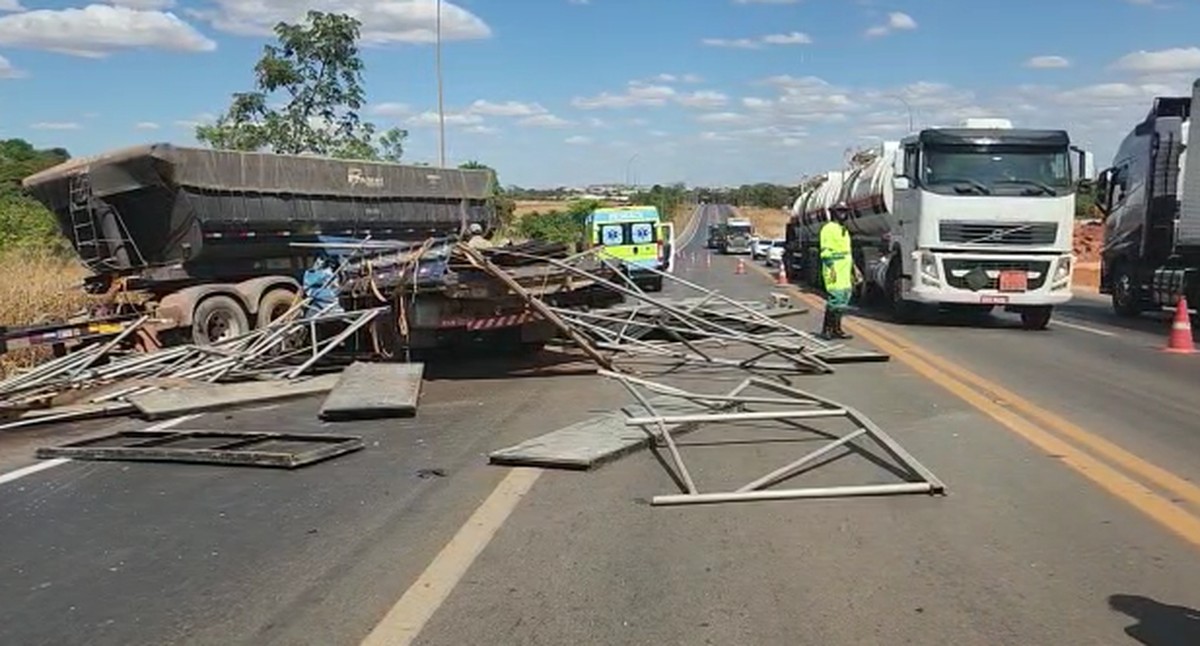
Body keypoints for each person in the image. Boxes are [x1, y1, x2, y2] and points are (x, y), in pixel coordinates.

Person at [818, 201, 860, 340]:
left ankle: (837, 329)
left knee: (843, 300)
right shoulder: (828, 229)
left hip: (844, 271)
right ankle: (827, 329)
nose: (843, 214)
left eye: (845, 211)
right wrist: (831, 268)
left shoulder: (844, 230)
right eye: (840, 211)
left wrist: (854, 269)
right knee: (835, 299)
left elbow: (847, 252)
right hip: (834, 269)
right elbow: (825, 251)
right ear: (833, 213)